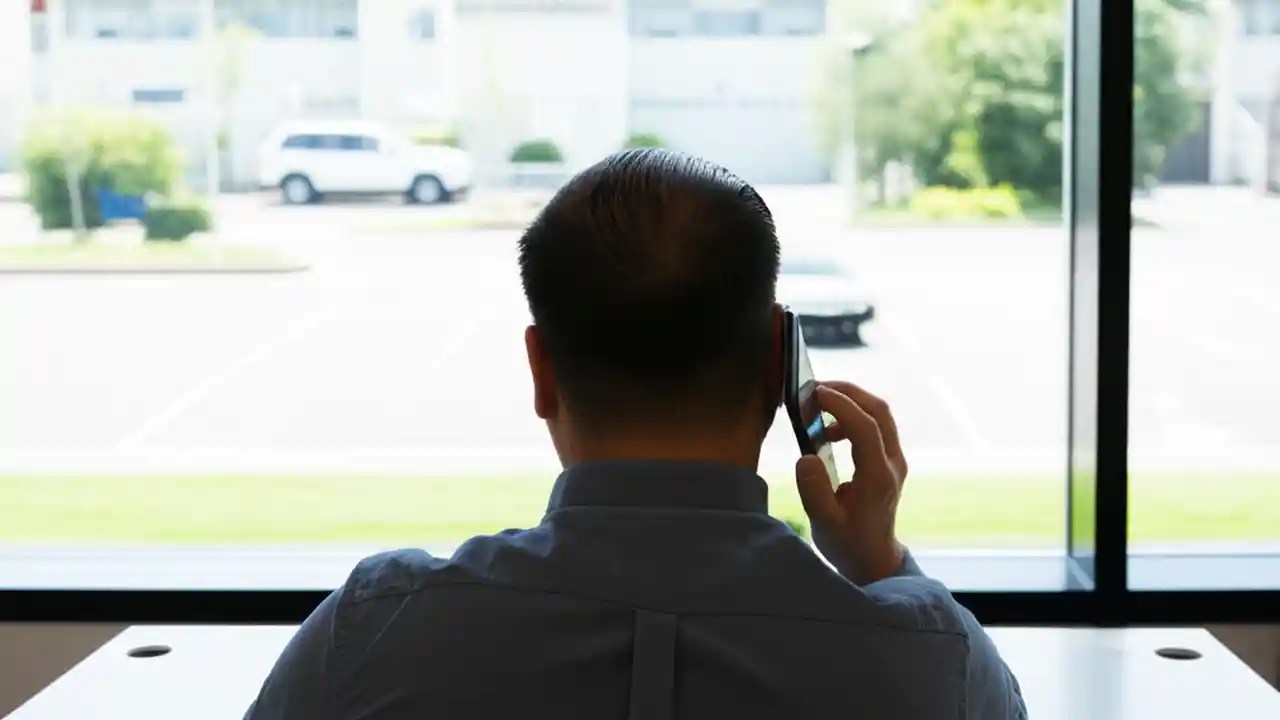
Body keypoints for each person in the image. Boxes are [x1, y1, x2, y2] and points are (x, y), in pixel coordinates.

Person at [244, 149, 1026, 719]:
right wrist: (877, 563)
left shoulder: (377, 629)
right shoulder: (927, 667)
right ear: (776, 374)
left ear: (541, 371)